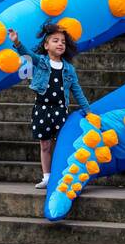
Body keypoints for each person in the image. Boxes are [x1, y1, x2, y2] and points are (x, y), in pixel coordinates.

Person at [7, 22, 92, 190]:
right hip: (42, 109)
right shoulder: (42, 62)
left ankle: (62, 174)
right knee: (45, 145)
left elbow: (77, 91)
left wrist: (88, 111)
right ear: (46, 45)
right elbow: (27, 53)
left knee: (61, 143)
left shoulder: (69, 69)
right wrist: (17, 42)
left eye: (63, 41)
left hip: (60, 111)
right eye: (55, 40)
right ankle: (47, 177)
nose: (60, 43)